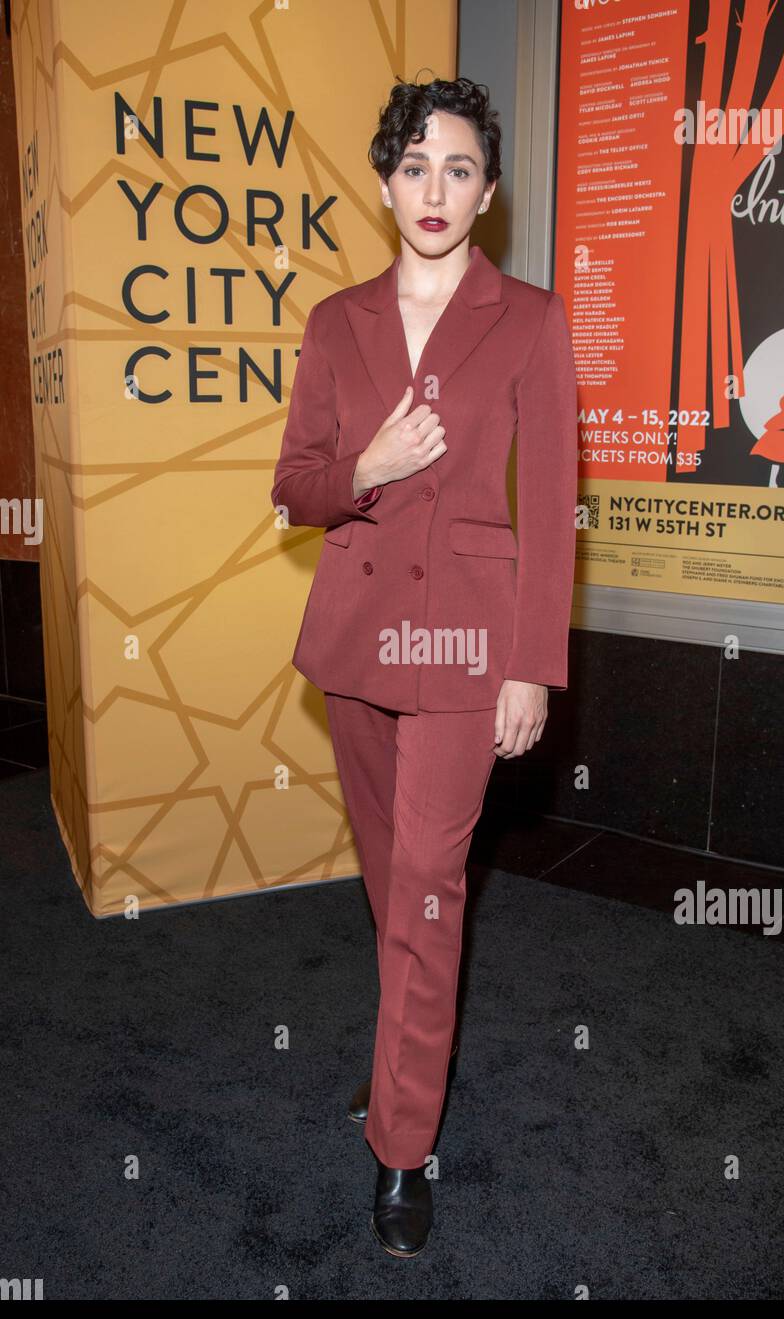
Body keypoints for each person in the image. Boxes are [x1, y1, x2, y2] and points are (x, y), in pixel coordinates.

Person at [271, 76, 578, 1258]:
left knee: (429, 892)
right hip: (354, 639)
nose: (434, 190)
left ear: (488, 190)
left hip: (467, 646)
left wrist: (529, 668)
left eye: (457, 169)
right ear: (382, 180)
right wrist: (369, 457)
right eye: (413, 166)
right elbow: (296, 485)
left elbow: (550, 512)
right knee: (392, 878)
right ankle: (401, 1062)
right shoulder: (335, 320)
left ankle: (402, 1145)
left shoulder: (530, 319)